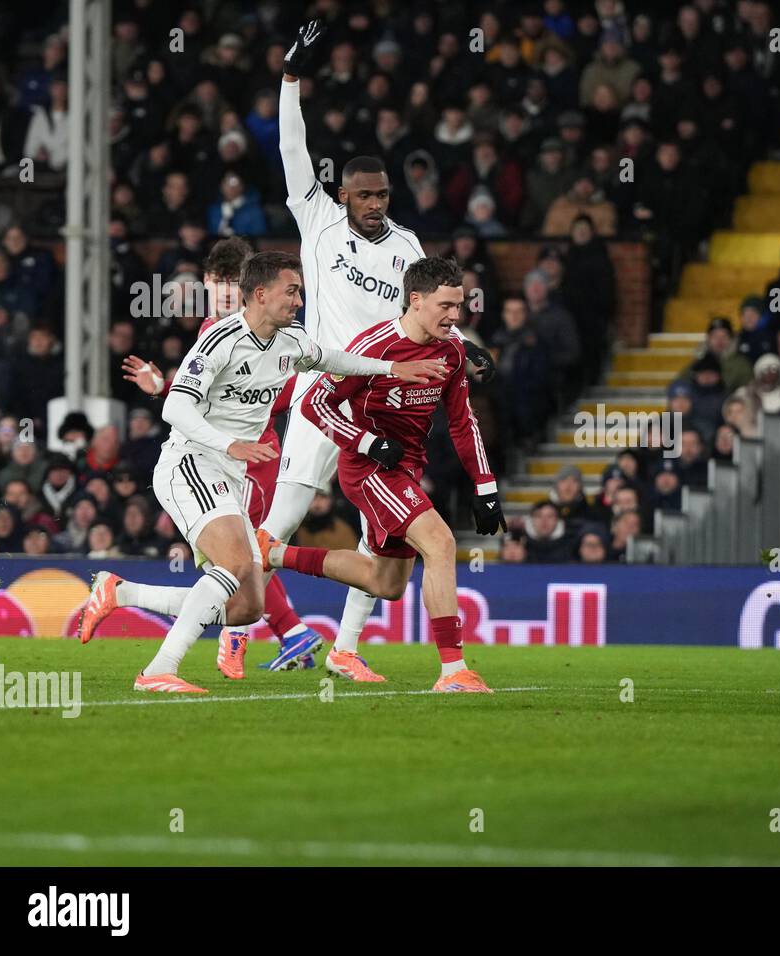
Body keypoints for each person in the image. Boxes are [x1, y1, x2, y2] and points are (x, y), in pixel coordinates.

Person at [75, 251, 435, 693]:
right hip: (190, 463)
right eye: (292, 291)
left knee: (245, 605)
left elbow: (334, 359)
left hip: (229, 472)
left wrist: (391, 367)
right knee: (234, 564)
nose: (299, 301)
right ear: (261, 295)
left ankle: (120, 592)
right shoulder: (219, 339)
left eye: (300, 291)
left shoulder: (291, 341)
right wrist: (229, 443)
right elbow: (175, 406)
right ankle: (157, 671)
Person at [260, 20, 495, 670]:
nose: (374, 203)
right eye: (363, 194)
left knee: (381, 533)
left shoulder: (409, 248)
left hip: (383, 400)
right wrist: (290, 77)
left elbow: (428, 312)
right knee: (282, 517)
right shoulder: (317, 218)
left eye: (382, 194)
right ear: (344, 194)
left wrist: (466, 343)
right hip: (325, 388)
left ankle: (343, 649)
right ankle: (234, 626)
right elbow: (291, 146)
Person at [268, 257, 505, 691]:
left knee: (386, 583)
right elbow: (313, 405)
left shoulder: (451, 349)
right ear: (415, 301)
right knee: (441, 542)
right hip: (369, 469)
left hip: (406, 469)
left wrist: (485, 487)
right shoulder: (372, 348)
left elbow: (462, 422)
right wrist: (367, 443)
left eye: (460, 306)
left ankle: (277, 554)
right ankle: (454, 672)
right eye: (447, 306)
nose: (456, 316)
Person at [119, 237, 332, 674]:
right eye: (217, 283)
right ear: (206, 283)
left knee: (242, 556)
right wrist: (161, 388)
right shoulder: (211, 331)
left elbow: (284, 391)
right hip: (214, 458)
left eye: (231, 284)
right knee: (240, 556)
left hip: (254, 458)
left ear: (250, 288)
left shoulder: (271, 334)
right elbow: (197, 399)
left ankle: (261, 636)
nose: (223, 292)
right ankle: (288, 632)